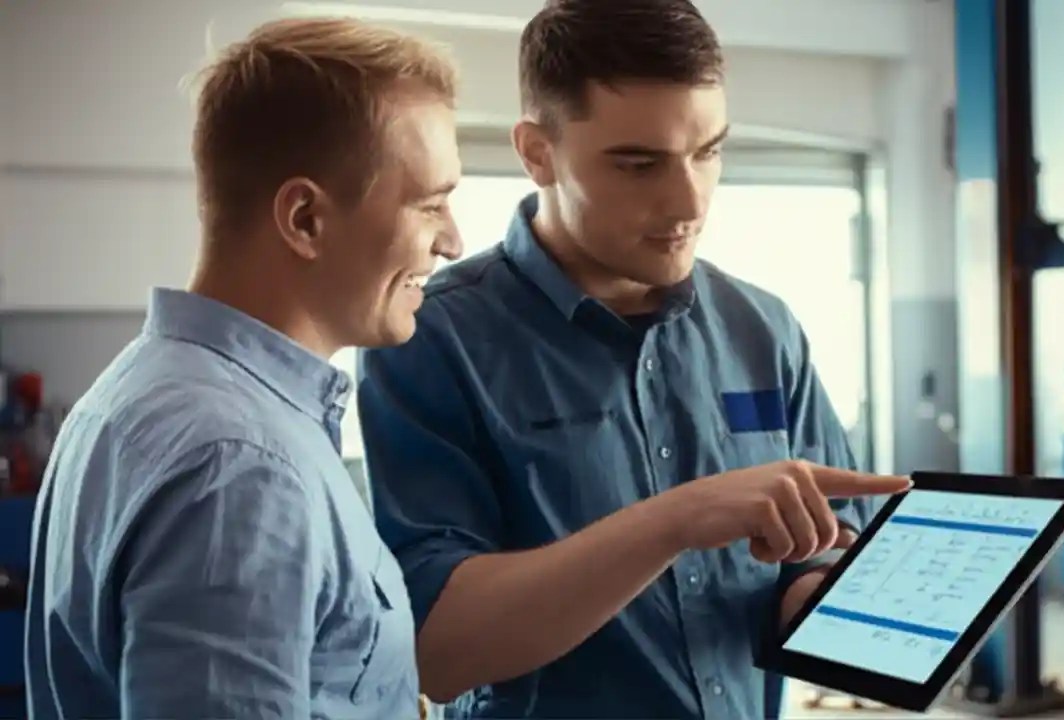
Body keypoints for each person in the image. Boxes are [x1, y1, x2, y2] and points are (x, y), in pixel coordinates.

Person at [358, 1, 909, 718]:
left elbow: (821, 553)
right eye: (639, 163)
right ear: (537, 153)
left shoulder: (763, 329)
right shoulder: (432, 337)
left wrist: (834, 595)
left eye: (707, 151)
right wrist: (675, 520)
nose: (688, 202)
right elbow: (438, 649)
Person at [24, 17, 462, 719]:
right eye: (430, 204)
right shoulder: (242, 466)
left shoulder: (145, 392)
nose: (452, 240)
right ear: (305, 219)